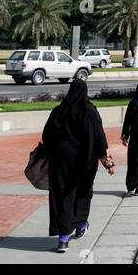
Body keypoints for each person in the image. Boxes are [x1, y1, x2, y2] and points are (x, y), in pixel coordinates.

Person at [41, 76, 114, 252]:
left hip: (61, 164)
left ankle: (63, 239)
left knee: (63, 197)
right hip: (84, 163)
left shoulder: (58, 111)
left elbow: (46, 136)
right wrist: (107, 161)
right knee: (82, 194)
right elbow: (99, 138)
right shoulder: (90, 112)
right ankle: (81, 226)